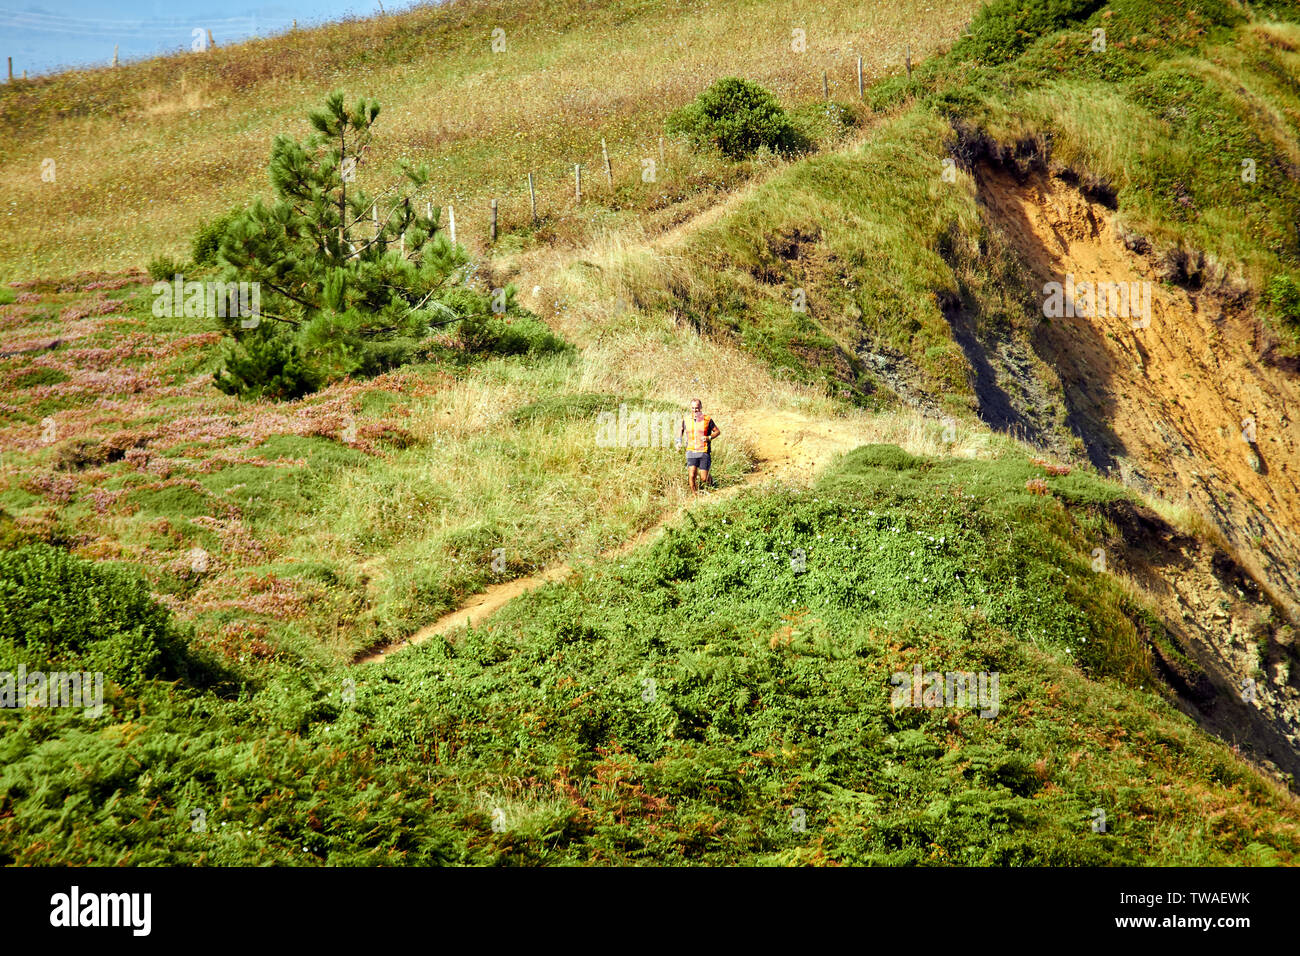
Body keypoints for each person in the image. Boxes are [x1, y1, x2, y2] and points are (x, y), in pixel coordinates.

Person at [680, 398, 720, 494]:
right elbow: (681, 429)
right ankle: (694, 494)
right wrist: (678, 441)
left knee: (704, 478)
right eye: (693, 408)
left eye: (697, 408)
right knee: (692, 474)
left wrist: (708, 437)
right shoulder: (686, 419)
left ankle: (711, 483)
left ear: (701, 407)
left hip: (704, 450)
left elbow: (717, 431)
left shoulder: (707, 419)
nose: (695, 410)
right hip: (691, 450)